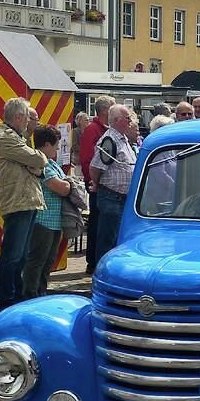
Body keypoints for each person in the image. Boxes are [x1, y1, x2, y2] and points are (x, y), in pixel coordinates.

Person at [0, 97, 47, 311]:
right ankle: (6, 300)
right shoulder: (5, 138)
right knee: (12, 255)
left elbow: (38, 168)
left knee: (21, 255)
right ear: (19, 117)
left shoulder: (18, 137)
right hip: (17, 202)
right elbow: (39, 160)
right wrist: (37, 160)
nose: (30, 122)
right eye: (28, 117)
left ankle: (16, 296)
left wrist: (36, 163)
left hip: (27, 200)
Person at [22, 126, 71, 299]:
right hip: (42, 220)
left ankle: (40, 293)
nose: (57, 149)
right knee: (37, 261)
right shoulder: (41, 162)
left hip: (53, 221)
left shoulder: (50, 163)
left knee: (47, 261)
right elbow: (62, 188)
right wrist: (69, 185)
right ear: (47, 144)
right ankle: (30, 295)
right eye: (56, 145)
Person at [90, 104, 138, 261]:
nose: (130, 121)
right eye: (127, 118)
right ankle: (102, 272)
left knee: (116, 238)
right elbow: (95, 167)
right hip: (111, 197)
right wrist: (97, 185)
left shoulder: (123, 138)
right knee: (108, 240)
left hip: (123, 198)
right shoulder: (109, 140)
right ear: (117, 120)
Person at [79, 95, 113, 275]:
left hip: (103, 185)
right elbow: (86, 159)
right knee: (96, 222)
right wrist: (93, 181)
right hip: (96, 185)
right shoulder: (93, 130)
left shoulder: (105, 129)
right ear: (105, 111)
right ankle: (92, 261)